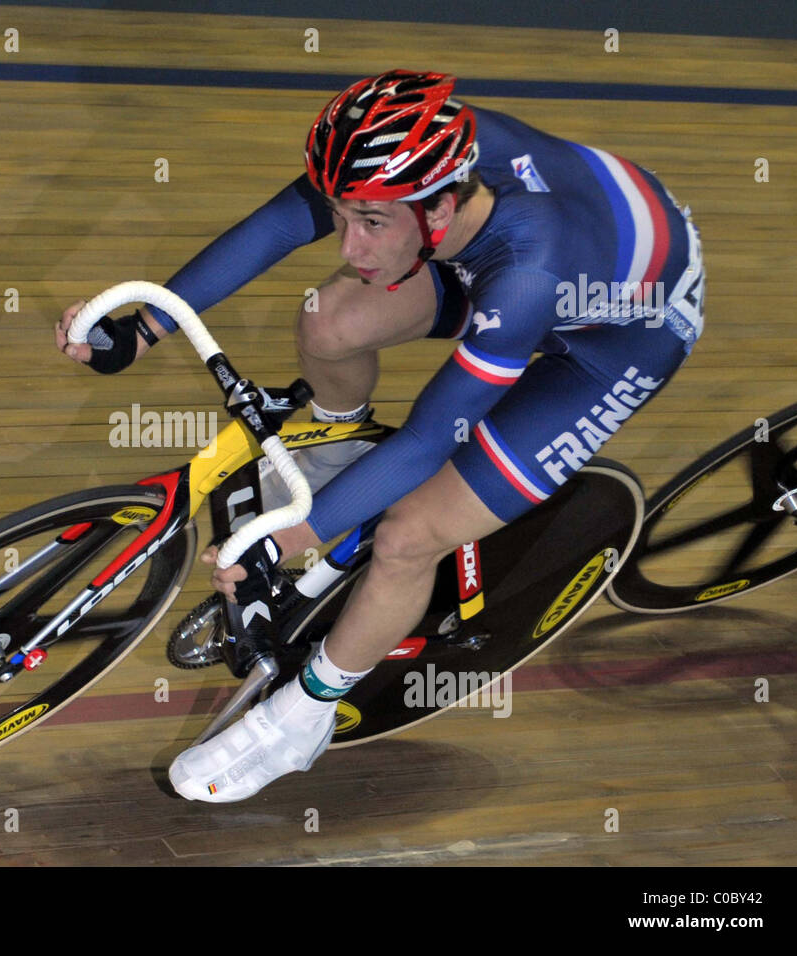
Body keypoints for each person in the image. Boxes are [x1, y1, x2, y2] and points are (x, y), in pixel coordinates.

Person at [54, 69, 704, 802]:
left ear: (440, 206)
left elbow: (433, 439)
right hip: (555, 246)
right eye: (342, 215)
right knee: (327, 322)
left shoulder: (527, 271)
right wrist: (143, 330)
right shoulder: (413, 157)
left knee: (406, 533)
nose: (350, 243)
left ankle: (303, 720)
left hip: (616, 339)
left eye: (371, 222)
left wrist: (288, 540)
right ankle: (344, 443)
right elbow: (274, 226)